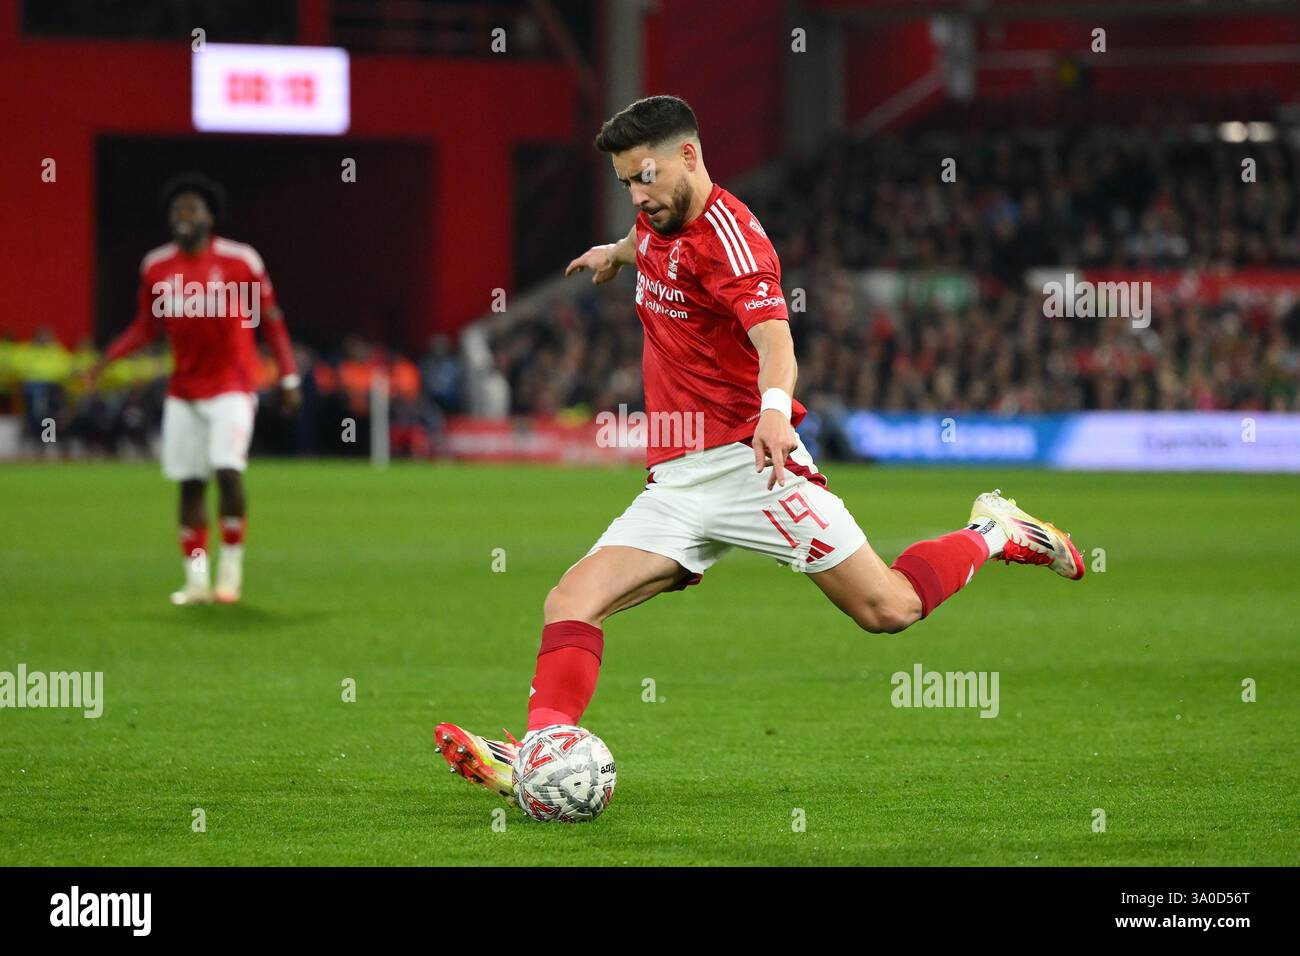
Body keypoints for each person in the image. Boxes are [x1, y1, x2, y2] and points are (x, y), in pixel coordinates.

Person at [435, 97, 1083, 808]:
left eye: (645, 177)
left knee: (888, 609)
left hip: (755, 467)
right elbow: (646, 239)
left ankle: (996, 530)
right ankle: (538, 751)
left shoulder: (734, 240)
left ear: (689, 156)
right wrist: (615, 253)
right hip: (678, 482)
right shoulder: (655, 219)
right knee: (571, 599)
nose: (637, 196)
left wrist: (774, 413)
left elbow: (775, 339)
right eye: (626, 183)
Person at [85, 173, 301, 605]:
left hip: (233, 385)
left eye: (192, 208)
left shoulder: (241, 261)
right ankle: (196, 579)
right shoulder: (156, 266)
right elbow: (147, 325)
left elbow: (271, 320)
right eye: (176, 209)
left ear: (209, 216)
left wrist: (288, 375)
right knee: (189, 485)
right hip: (183, 390)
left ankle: (231, 571)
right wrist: (107, 359)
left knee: (227, 471)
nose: (182, 216)